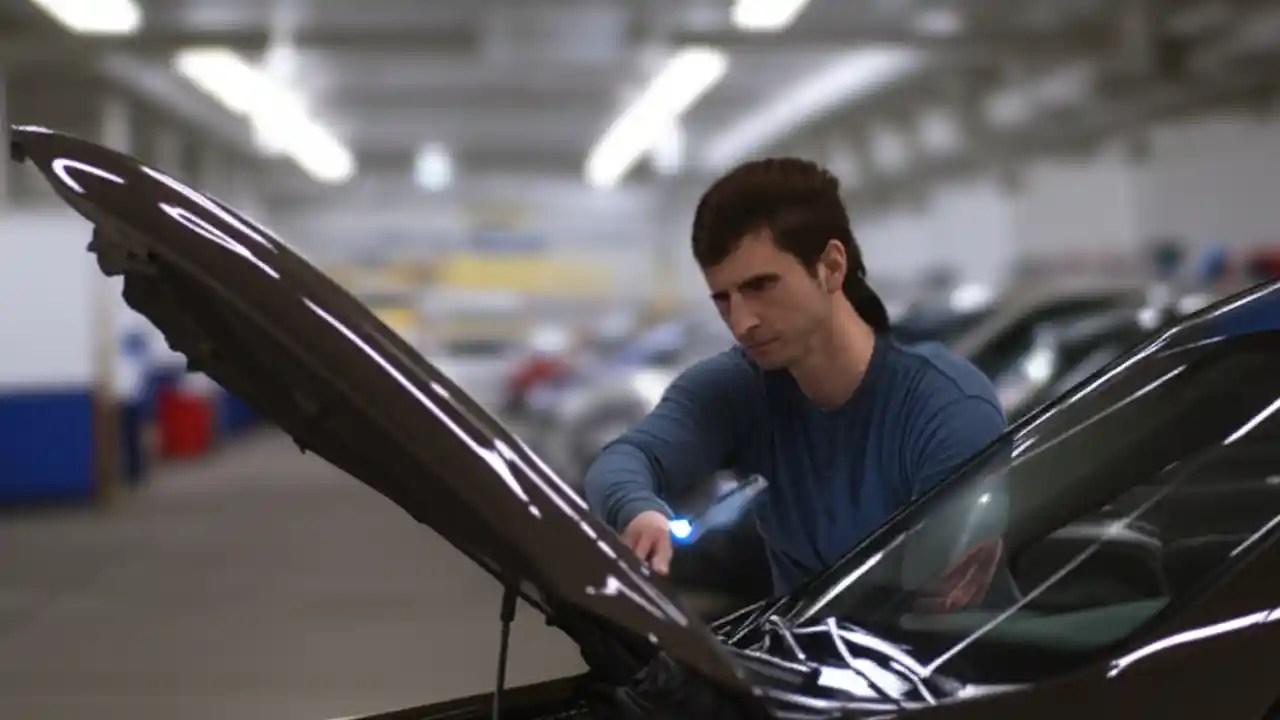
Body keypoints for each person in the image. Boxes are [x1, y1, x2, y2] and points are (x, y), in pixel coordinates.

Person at [583, 158, 1007, 595]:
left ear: (831, 267)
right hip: (811, 656)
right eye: (723, 299)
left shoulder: (945, 403)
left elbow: (930, 596)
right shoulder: (740, 388)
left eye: (760, 286)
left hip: (951, 660)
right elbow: (624, 460)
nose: (742, 321)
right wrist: (639, 511)